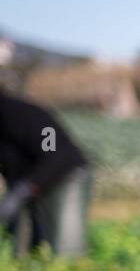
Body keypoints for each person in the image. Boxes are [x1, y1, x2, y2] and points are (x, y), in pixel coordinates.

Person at [0, 88, 92, 257]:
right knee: (22, 251)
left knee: (65, 252)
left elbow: (55, 156)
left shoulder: (19, 114)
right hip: (30, 184)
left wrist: (24, 190)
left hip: (65, 178)